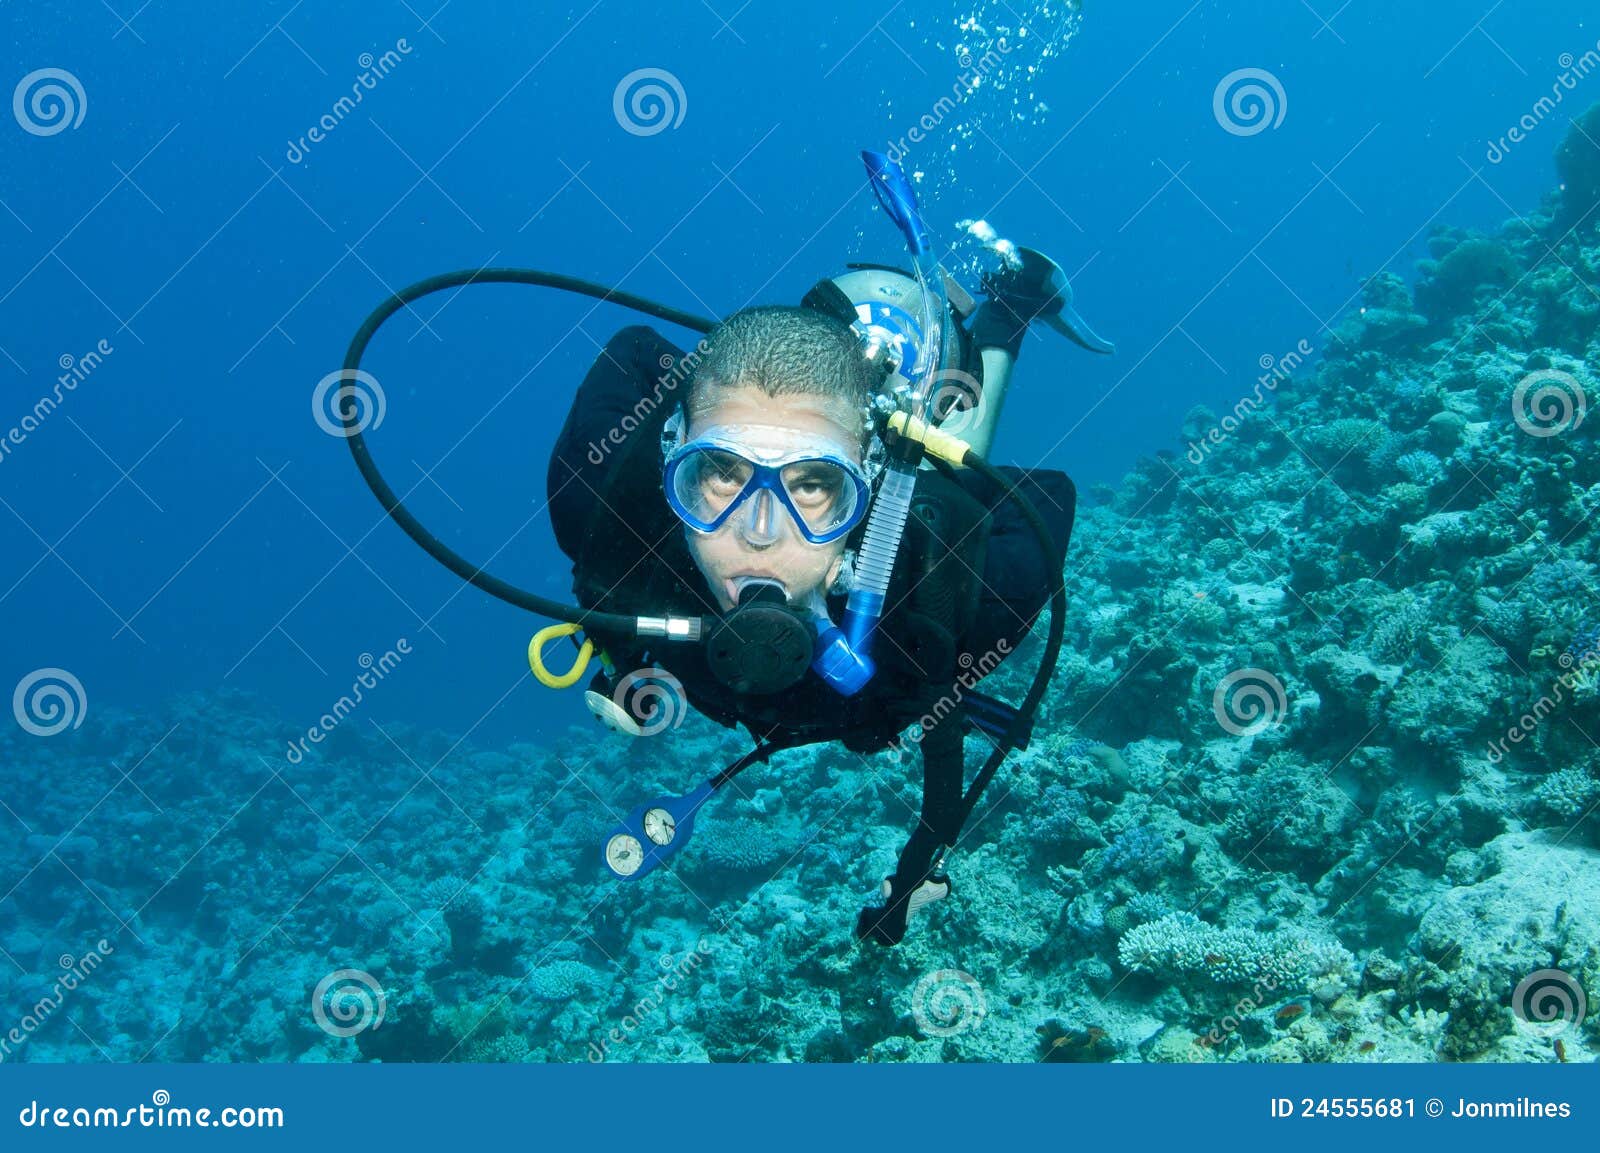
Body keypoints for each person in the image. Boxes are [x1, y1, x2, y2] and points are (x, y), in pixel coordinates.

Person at [544, 251, 1109, 945]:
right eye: (719, 473)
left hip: (905, 481)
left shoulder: (935, 592)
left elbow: (1047, 496)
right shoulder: (600, 513)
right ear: (673, 463)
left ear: (868, 487)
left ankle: (1009, 306)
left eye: (813, 484)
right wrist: (621, 652)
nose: (758, 533)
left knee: (954, 459)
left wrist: (941, 576)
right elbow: (634, 350)